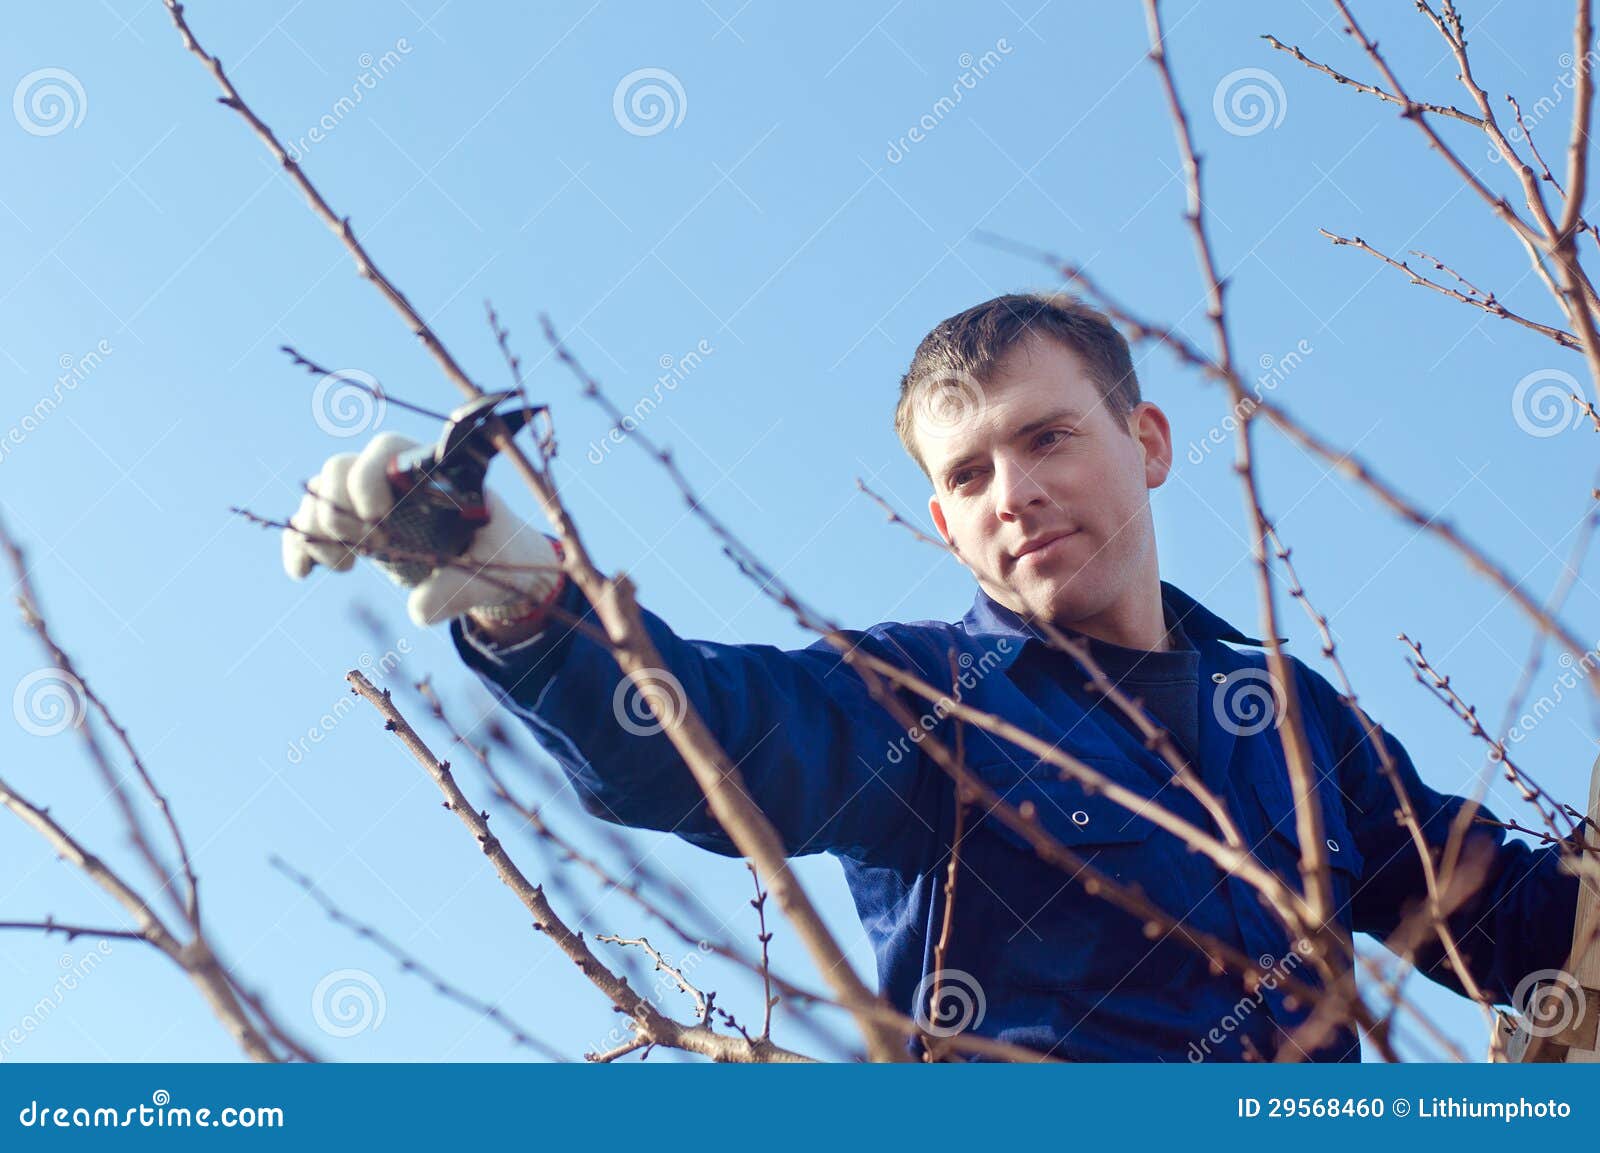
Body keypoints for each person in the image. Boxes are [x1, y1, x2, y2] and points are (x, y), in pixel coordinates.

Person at [282, 292, 1579, 1061]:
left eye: (1048, 437)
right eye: (968, 474)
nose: (1013, 492)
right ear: (942, 523)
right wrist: (530, 606)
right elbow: (697, 739)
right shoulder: (912, 699)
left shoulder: (1298, 723)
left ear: (1150, 442)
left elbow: (1506, 921)